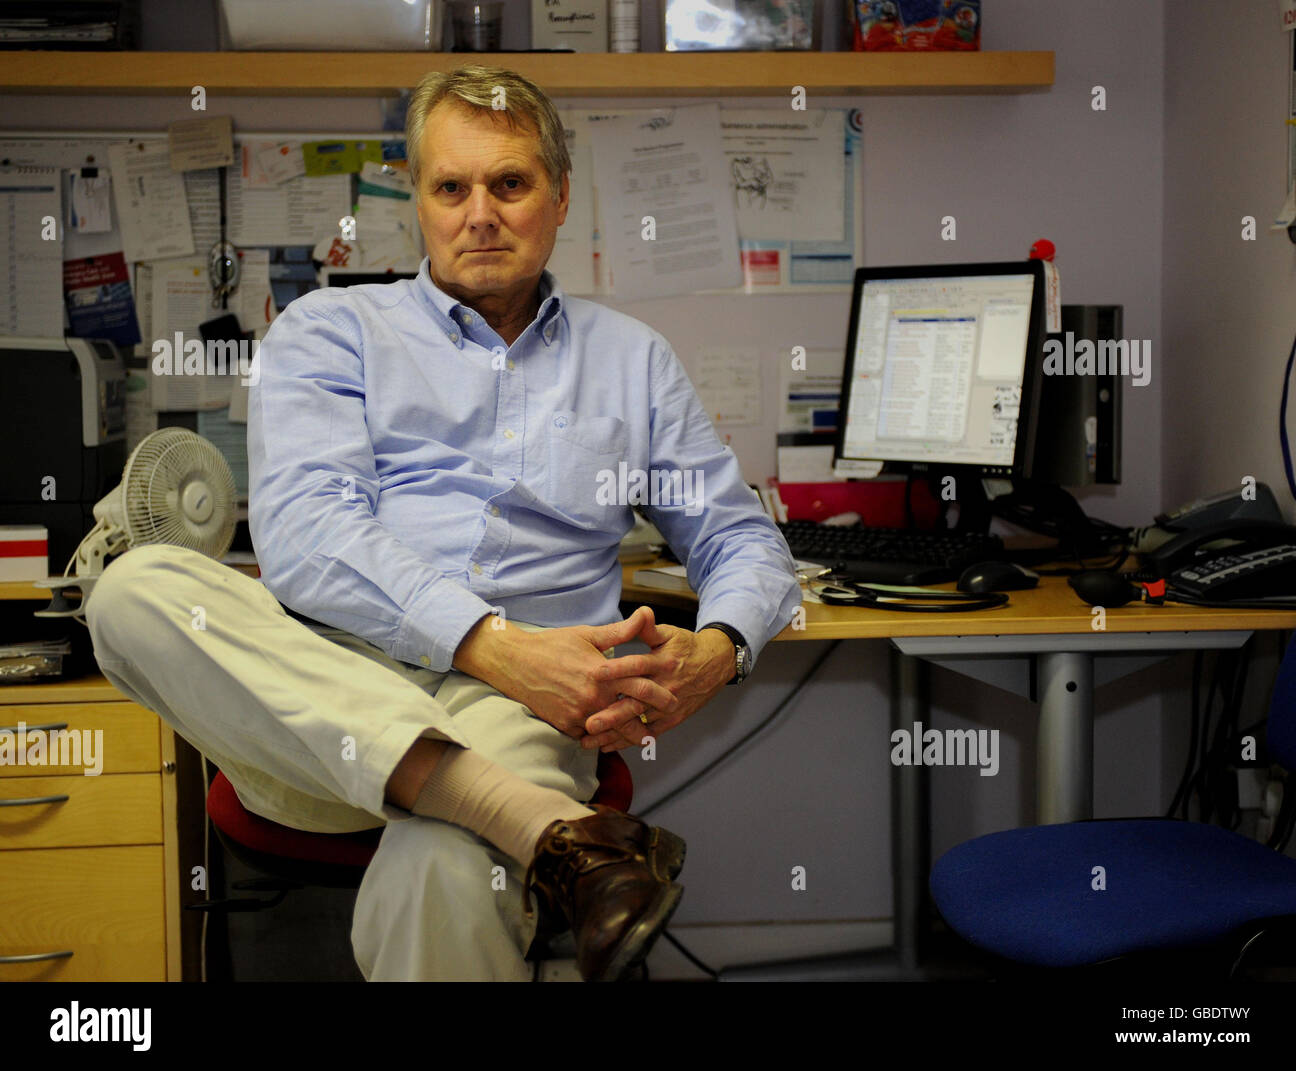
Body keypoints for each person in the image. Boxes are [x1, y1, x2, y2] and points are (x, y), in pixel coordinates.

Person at [85, 63, 801, 982]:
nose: (481, 213)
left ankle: (507, 818)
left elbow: (741, 538)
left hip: (519, 715)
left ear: (559, 197)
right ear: (415, 202)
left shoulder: (633, 361)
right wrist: (493, 643)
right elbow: (307, 539)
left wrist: (722, 648)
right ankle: (552, 834)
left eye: (509, 183)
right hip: (322, 704)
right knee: (133, 590)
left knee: (445, 869)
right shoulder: (329, 330)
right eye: (450, 187)